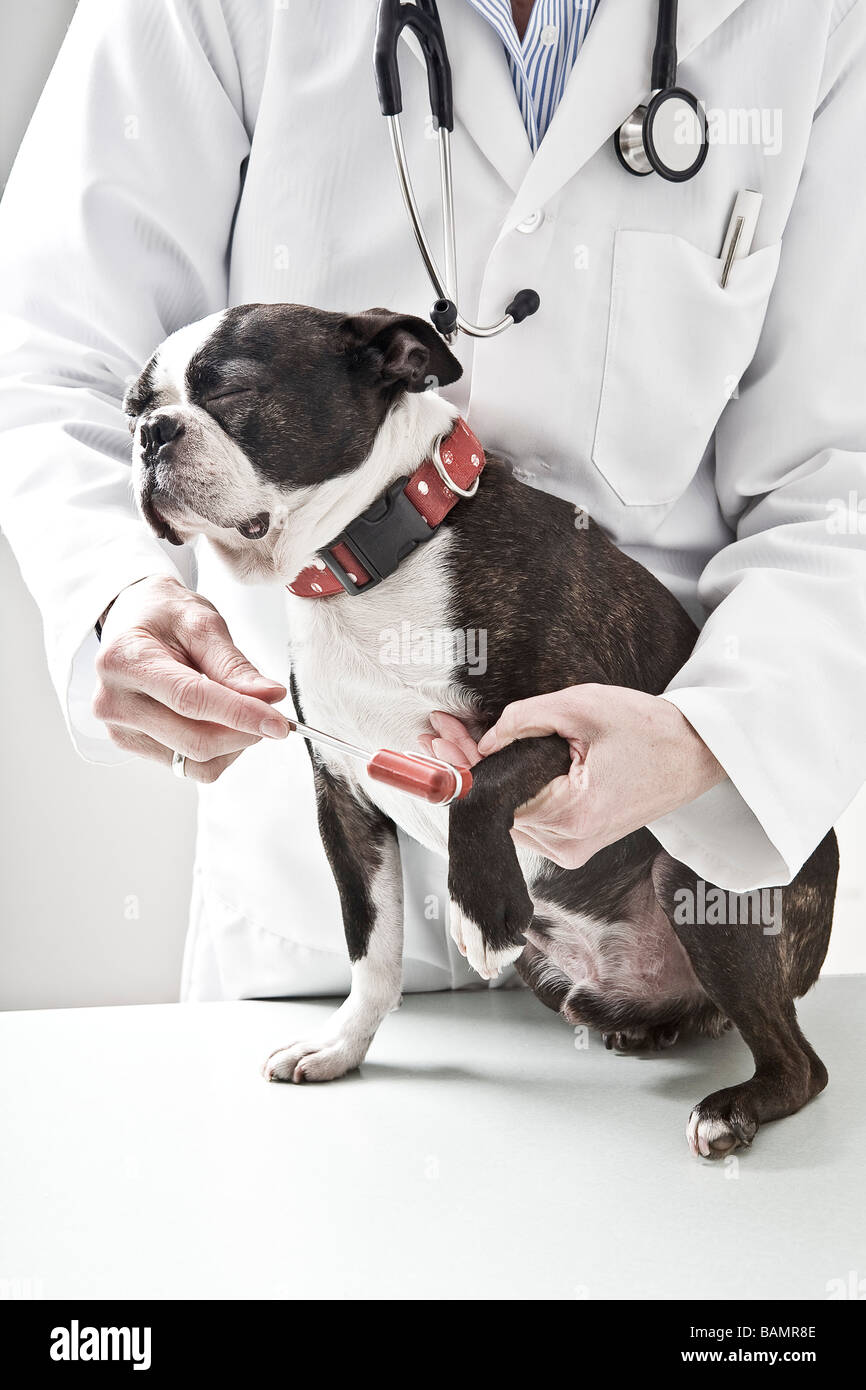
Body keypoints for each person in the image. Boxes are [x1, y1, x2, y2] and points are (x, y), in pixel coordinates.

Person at [1, 0, 864, 1002]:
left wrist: (713, 735)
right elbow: (51, 356)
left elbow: (839, 474)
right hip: (319, 911)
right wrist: (114, 589)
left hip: (664, 899)